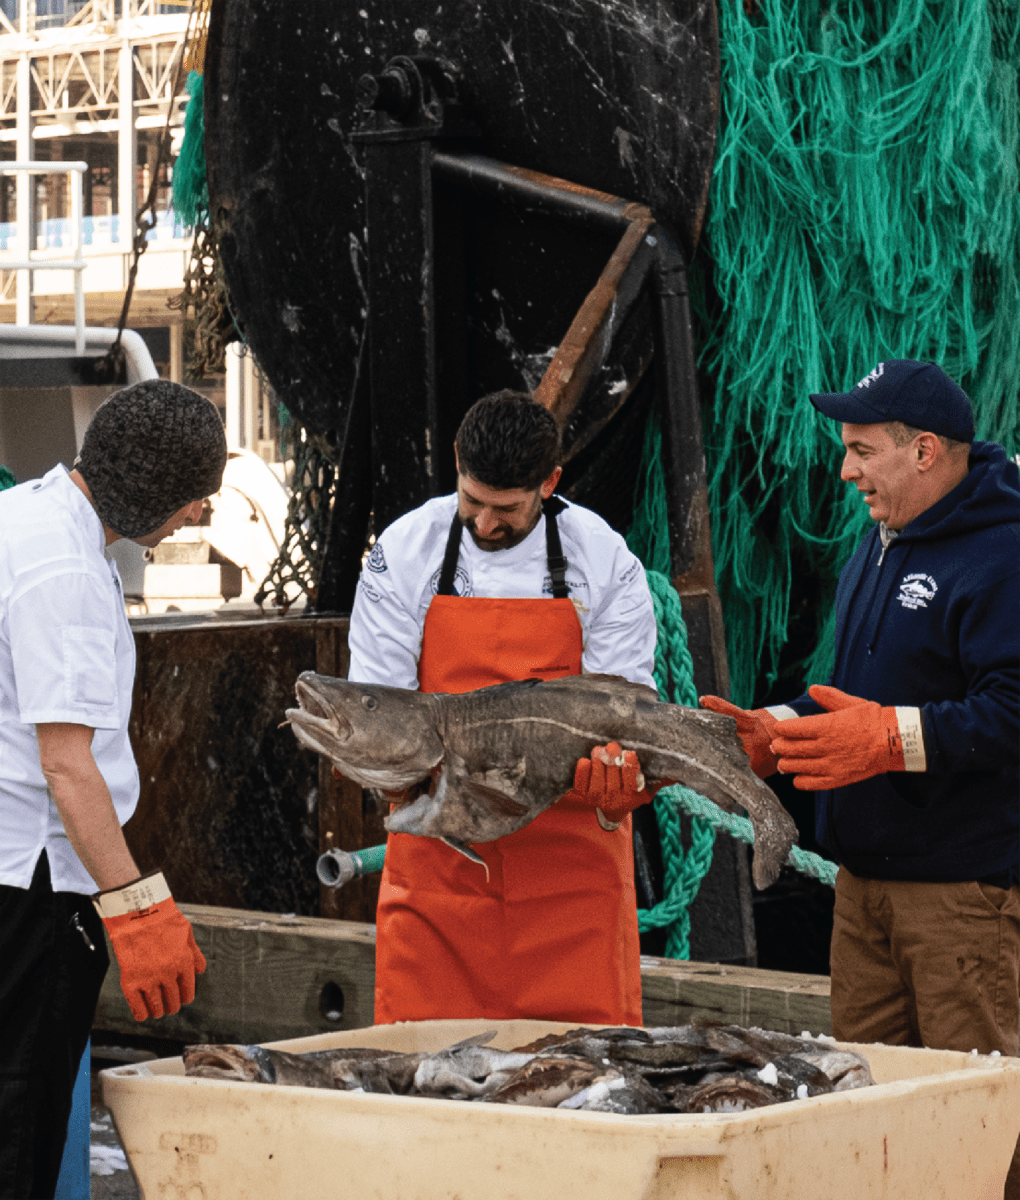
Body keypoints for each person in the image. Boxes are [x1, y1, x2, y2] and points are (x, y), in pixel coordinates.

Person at [701, 359, 1020, 1196]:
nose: (844, 471)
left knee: (976, 1128)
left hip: (964, 902)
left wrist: (886, 740)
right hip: (860, 892)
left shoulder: (1006, 553)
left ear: (923, 452)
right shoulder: (875, 544)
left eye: (859, 450)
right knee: (865, 1117)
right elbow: (856, 696)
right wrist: (778, 727)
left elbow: (1011, 712)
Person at [347, 390, 659, 1025]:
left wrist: (623, 778)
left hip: (572, 881)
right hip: (440, 874)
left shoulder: (605, 560)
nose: (487, 524)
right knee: (426, 1088)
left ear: (550, 482)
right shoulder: (403, 552)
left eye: (508, 510)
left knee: (583, 1091)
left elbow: (626, 712)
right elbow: (380, 711)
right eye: (473, 501)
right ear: (458, 462)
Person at [0, 379, 228, 1200]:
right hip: (32, 888)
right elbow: (65, 764)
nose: (198, 516)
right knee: (19, 1123)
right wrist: (137, 909)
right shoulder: (63, 568)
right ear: (155, 494)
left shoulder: (25, 514)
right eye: (196, 499)